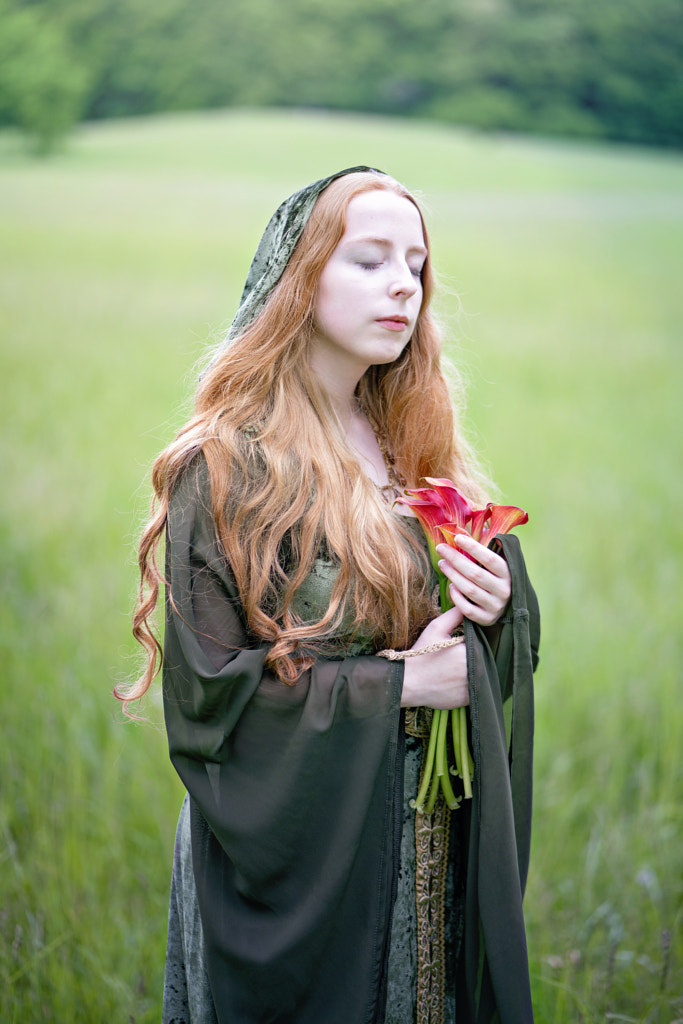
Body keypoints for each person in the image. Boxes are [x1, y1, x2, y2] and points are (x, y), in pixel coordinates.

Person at [117, 167, 540, 1024]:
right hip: (301, 851)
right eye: (369, 259)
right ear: (299, 280)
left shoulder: (411, 446)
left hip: (425, 836)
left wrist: (496, 604)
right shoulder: (227, 467)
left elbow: (480, 642)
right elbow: (211, 700)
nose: (402, 285)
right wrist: (398, 688)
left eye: (416, 265)